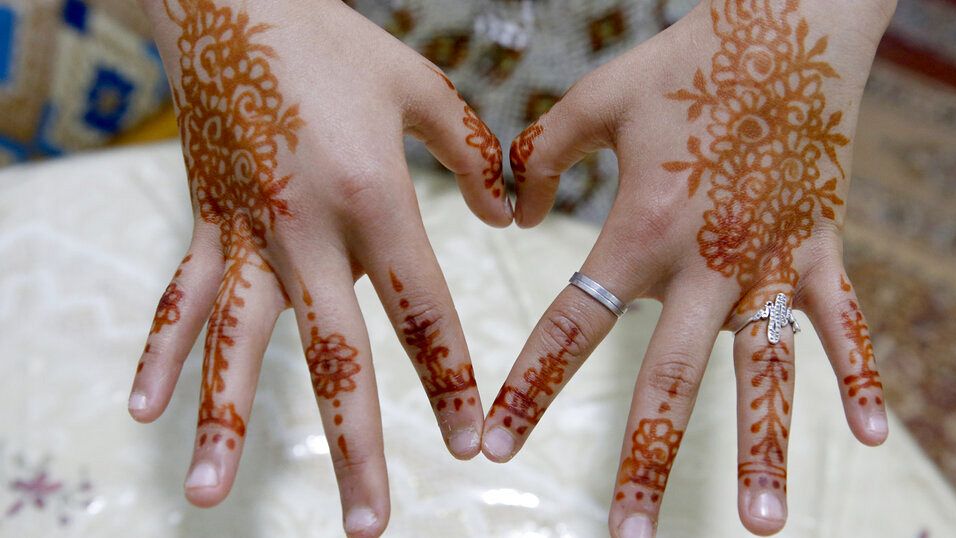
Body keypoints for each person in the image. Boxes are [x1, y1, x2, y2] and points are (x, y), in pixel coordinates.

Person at [126, 0, 898, 536]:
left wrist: (799, 30)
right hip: (320, 78)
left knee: (671, 313)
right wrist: (224, 25)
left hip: (671, 90)